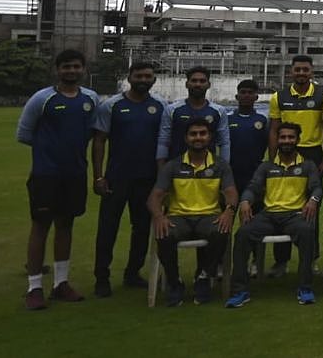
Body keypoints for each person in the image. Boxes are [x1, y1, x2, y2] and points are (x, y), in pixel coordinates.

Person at [17, 49, 99, 310]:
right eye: (66, 66)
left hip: (75, 173)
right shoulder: (42, 98)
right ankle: (34, 287)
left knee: (66, 225)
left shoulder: (91, 99)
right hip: (46, 175)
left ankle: (61, 284)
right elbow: (24, 134)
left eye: (76, 66)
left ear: (83, 69)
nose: (71, 71)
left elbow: (91, 132)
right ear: (57, 69)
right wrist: (49, 152)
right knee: (40, 226)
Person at [226, 122, 322, 307]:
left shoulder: (308, 165)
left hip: (294, 215)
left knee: (307, 231)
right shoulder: (267, 166)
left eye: (291, 137)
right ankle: (240, 290)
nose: (287, 140)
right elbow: (252, 188)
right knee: (243, 234)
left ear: (298, 140)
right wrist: (245, 201)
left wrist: (313, 200)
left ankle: (305, 288)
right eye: (283, 137)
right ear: (277, 140)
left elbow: (317, 188)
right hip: (268, 215)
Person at [91, 61, 165, 298]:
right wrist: (98, 176)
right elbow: (99, 141)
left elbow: (165, 142)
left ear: (154, 80)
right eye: (139, 76)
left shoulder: (161, 106)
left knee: (142, 228)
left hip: (147, 179)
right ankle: (101, 277)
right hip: (117, 178)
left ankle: (133, 273)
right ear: (129, 78)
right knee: (107, 228)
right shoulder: (111, 105)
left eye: (147, 76)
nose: (143, 80)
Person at [147, 120, 238, 307]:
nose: (198, 137)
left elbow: (231, 192)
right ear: (186, 138)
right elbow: (154, 197)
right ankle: (175, 282)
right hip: (178, 217)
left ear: (209, 137)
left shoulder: (220, 165)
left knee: (221, 231)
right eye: (193, 134)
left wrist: (229, 211)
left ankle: (204, 277)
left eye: (202, 133)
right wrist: (159, 216)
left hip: (208, 216)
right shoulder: (173, 166)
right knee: (164, 233)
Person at [267, 54, 323, 276]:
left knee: (312, 208)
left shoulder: (322, 95)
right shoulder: (279, 97)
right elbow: (274, 130)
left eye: (305, 70)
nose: (301, 73)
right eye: (297, 69)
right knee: (281, 204)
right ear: (291, 72)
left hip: (312, 153)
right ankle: (281, 261)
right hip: (285, 153)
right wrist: (273, 159)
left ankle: (311, 259)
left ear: (312, 72)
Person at [156, 65, 230, 164]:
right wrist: (161, 168)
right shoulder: (171, 109)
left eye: (202, 81)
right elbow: (164, 141)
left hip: (208, 169)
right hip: (177, 168)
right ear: (187, 84)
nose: (198, 84)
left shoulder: (219, 111)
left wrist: (224, 167)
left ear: (209, 85)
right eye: (194, 81)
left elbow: (224, 143)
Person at [226, 80, 268, 229]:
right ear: (237, 96)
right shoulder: (227, 119)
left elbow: (266, 145)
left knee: (253, 221)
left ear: (256, 97)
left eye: (250, 93)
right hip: (231, 176)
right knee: (226, 220)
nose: (246, 95)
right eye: (243, 92)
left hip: (254, 176)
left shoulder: (262, 120)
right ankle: (227, 245)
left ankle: (254, 245)